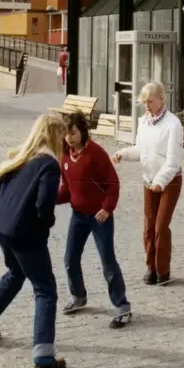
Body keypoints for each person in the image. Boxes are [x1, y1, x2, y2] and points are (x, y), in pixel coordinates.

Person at [0, 113, 68, 368]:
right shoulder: (48, 163)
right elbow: (44, 205)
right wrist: (44, 225)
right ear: (54, 135)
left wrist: (11, 210)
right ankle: (44, 357)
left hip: (3, 229)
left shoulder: (21, 156)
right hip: (26, 234)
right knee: (45, 289)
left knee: (15, 274)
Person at [57, 112, 132, 327]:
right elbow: (67, 189)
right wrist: (47, 199)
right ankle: (78, 297)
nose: (69, 138)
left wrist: (107, 208)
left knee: (107, 260)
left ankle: (122, 306)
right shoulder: (65, 156)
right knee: (70, 259)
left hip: (100, 216)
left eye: (73, 133)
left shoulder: (96, 153)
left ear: (83, 132)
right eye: (66, 134)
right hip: (78, 215)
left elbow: (113, 184)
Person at [113, 82, 183, 286]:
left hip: (168, 181)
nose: (147, 106)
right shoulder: (144, 122)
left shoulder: (173, 124)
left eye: (150, 101)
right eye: (144, 102)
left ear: (162, 99)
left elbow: (173, 160)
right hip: (148, 179)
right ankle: (150, 267)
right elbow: (141, 150)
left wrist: (161, 181)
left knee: (161, 227)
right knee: (148, 227)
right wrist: (123, 154)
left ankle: (163, 269)